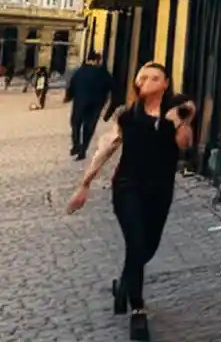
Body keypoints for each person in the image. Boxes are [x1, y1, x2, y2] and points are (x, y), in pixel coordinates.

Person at [65, 63, 194, 341]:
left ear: (166, 83)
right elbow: (105, 150)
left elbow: (185, 144)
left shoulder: (175, 111)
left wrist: (181, 121)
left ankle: (123, 284)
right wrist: (84, 185)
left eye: (155, 77)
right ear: (136, 82)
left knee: (148, 247)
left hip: (160, 190)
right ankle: (137, 309)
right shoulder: (125, 115)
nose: (148, 81)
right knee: (135, 243)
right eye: (143, 77)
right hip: (127, 188)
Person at [67, 53, 115, 160]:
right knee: (89, 127)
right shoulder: (103, 73)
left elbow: (72, 84)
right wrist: (110, 106)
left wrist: (68, 96)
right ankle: (83, 149)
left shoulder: (80, 71)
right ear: (97, 60)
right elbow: (112, 87)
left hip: (80, 102)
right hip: (96, 104)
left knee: (75, 124)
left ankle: (76, 144)